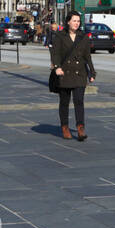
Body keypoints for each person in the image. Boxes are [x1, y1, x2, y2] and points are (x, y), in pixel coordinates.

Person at [50, 12, 95, 141]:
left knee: (79, 101)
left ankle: (80, 128)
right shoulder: (60, 36)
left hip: (80, 73)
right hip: (65, 73)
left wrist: (92, 72)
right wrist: (57, 67)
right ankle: (65, 127)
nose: (76, 23)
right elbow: (55, 53)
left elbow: (87, 56)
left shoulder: (83, 36)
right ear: (68, 22)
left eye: (78, 21)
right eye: (74, 21)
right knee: (64, 102)